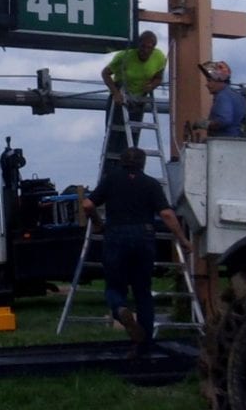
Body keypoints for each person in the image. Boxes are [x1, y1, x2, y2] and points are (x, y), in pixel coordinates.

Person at [82, 147, 192, 356]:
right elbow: (167, 214)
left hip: (116, 236)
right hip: (144, 236)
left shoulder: (111, 179)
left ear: (122, 162)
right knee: (143, 292)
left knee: (114, 287)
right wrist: (183, 240)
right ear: (143, 164)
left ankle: (120, 310)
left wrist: (97, 223)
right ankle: (144, 345)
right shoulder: (150, 184)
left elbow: (87, 204)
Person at [100, 31, 167, 168]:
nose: (145, 50)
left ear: (154, 47)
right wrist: (116, 93)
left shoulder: (159, 57)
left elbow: (159, 78)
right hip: (121, 96)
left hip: (139, 99)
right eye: (143, 46)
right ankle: (110, 169)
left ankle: (128, 169)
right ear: (138, 45)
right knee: (114, 137)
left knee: (132, 137)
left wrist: (152, 85)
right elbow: (105, 73)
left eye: (150, 47)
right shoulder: (125, 55)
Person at [196, 61, 246, 138]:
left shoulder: (223, 96)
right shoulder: (236, 95)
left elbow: (224, 121)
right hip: (235, 142)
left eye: (209, 81)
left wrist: (205, 124)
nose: (207, 85)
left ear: (219, 80)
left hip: (224, 144)